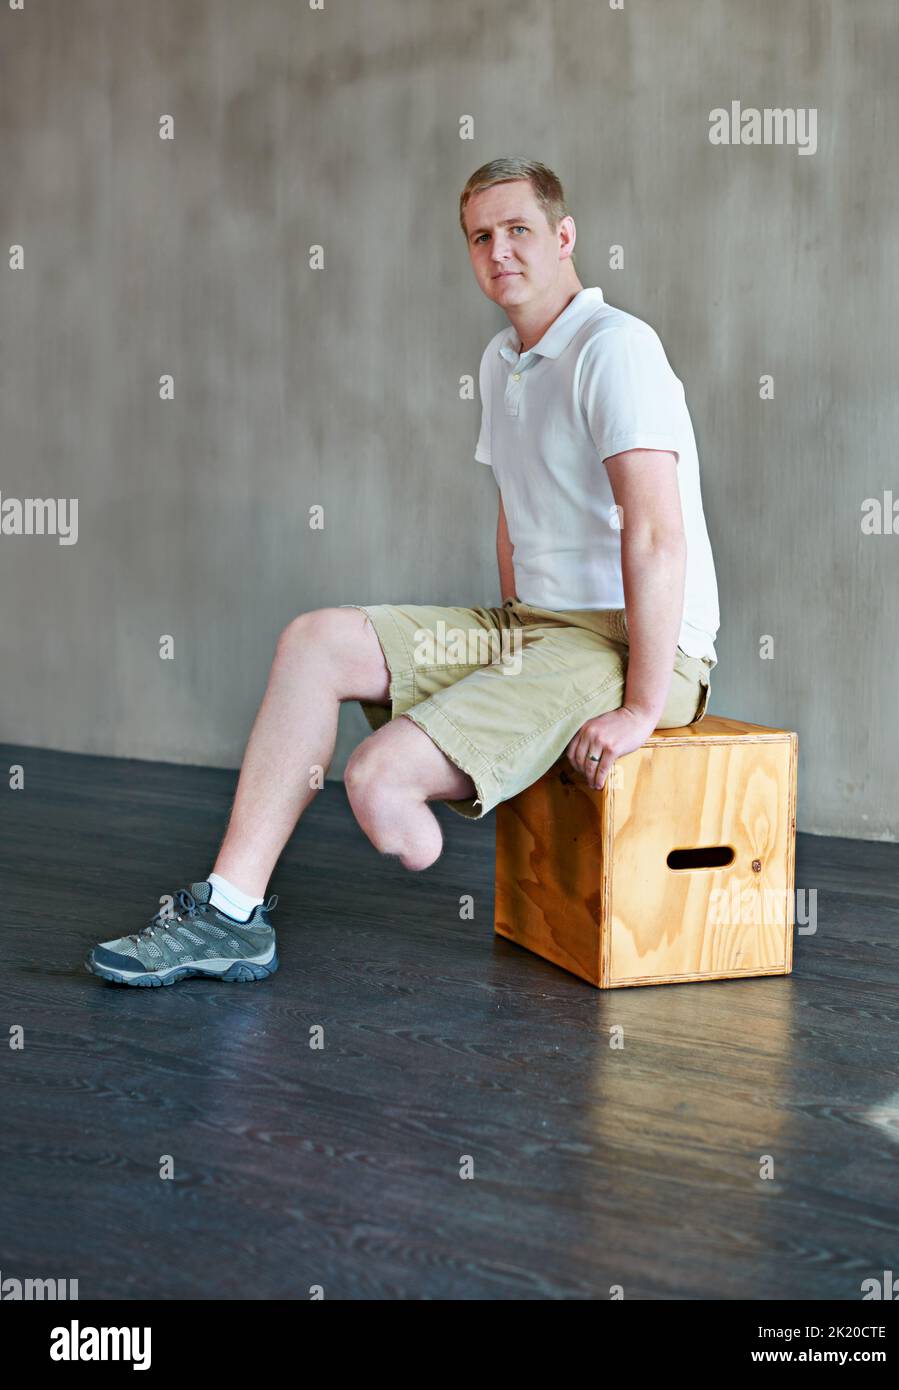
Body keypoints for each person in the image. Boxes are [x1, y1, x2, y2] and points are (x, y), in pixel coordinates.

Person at [86, 156, 719, 988]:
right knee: (314, 643)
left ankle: (403, 784)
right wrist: (506, 643)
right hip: (540, 626)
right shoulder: (504, 361)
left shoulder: (616, 349)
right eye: (480, 237)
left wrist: (641, 708)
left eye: (519, 230)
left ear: (565, 237)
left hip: (642, 643)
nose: (500, 251)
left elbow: (655, 536)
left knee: (380, 783)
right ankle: (229, 914)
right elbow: (513, 513)